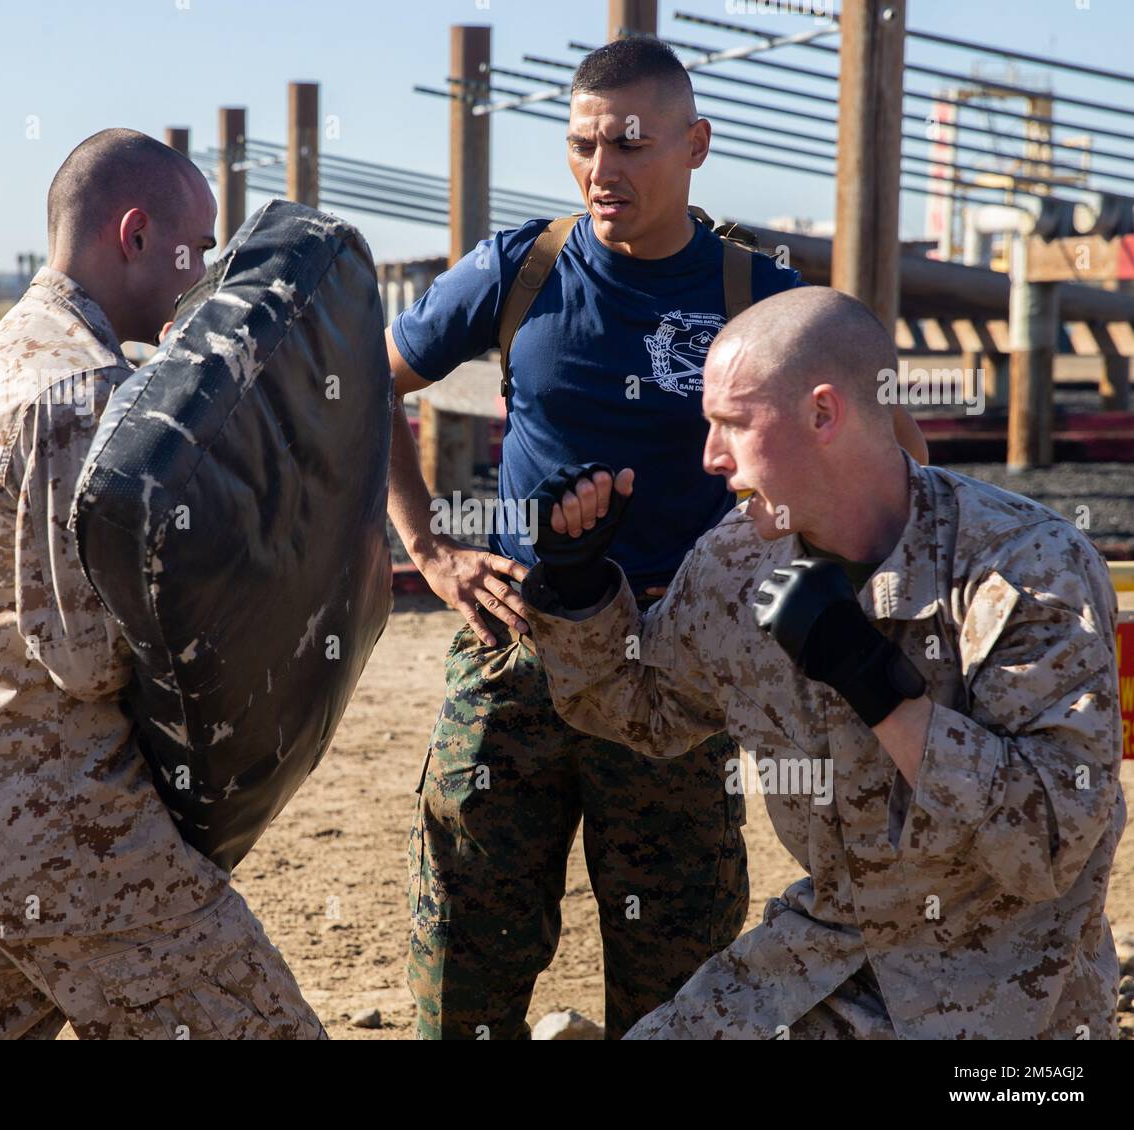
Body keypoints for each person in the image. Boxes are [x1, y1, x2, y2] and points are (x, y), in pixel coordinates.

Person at [389, 36, 926, 1038]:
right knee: (463, 951)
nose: (604, 169)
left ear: (696, 146)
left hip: (675, 676)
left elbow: (894, 450)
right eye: (585, 144)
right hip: (520, 655)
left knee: (677, 981)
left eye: (631, 144)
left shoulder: (759, 296)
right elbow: (370, 383)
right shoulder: (521, 269)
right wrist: (431, 548)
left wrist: (799, 570)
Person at [519, 285, 1126, 1039]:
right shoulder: (737, 564)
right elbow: (642, 711)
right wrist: (576, 588)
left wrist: (880, 691)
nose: (711, 456)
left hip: (1008, 995)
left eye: (732, 424)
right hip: (821, 957)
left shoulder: (1027, 568)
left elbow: (1048, 849)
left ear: (823, 414)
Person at [0, 129, 324, 1040]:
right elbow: (89, 659)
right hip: (76, 850)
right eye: (200, 247)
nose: (209, 275)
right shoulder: (83, 392)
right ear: (136, 234)